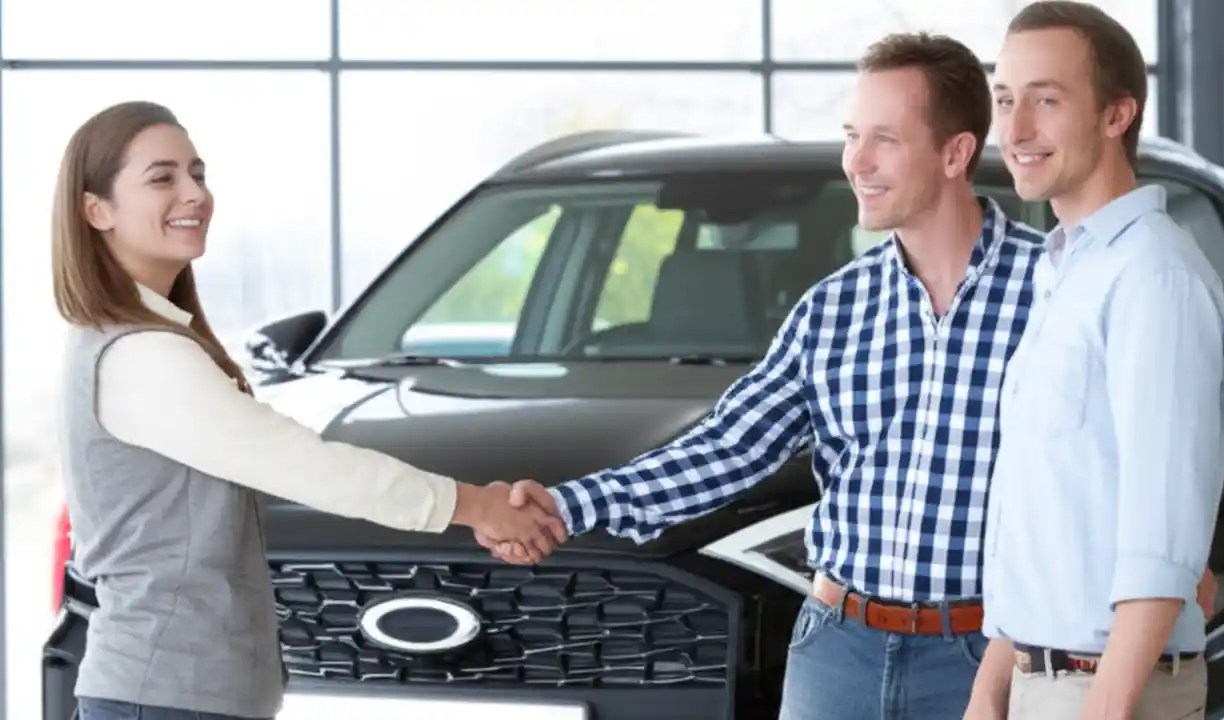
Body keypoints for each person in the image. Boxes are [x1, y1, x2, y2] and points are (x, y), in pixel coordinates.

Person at [483, 32, 1042, 718]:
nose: (857, 163)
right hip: (839, 652)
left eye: (885, 140)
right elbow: (727, 449)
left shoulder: (1052, 291)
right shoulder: (834, 309)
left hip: (985, 657)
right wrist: (566, 507)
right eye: (851, 135)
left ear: (955, 153)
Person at [52, 101, 567, 720]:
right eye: (163, 178)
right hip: (163, 697)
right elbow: (306, 466)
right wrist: (477, 506)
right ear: (95, 209)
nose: (195, 193)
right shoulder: (140, 356)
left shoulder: (131, 339)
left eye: (198, 173)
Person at [966, 3, 1224, 719]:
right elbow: (1054, 519)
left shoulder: (1154, 278)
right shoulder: (1068, 271)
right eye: (1006, 100)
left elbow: (1162, 531)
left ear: (1118, 113)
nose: (1017, 130)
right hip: (1044, 680)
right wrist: (992, 688)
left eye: (1047, 100)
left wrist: (1107, 707)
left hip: (1105, 693)